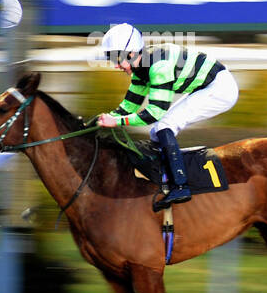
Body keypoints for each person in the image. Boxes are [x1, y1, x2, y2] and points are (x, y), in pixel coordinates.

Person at [95, 23, 238, 211]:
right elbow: (128, 106)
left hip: (220, 89)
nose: (115, 65)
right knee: (157, 131)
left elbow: (155, 113)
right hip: (207, 87)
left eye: (116, 58)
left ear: (130, 53)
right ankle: (167, 178)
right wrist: (100, 121)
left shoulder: (158, 66)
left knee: (164, 126)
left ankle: (180, 186)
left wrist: (117, 121)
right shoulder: (140, 68)